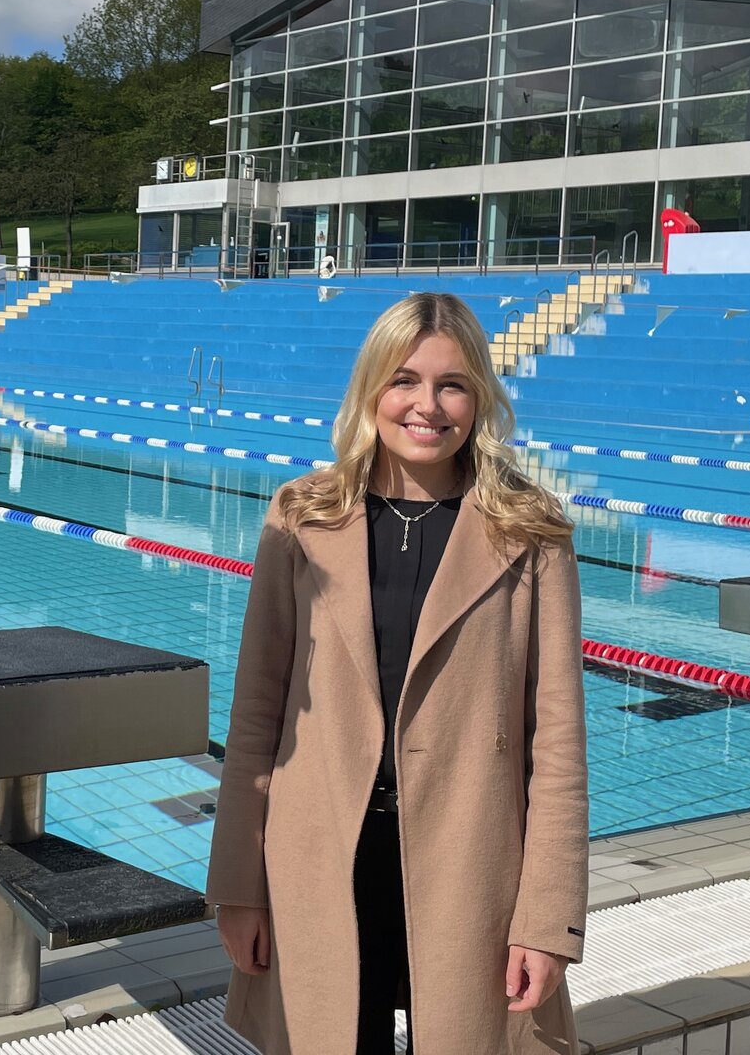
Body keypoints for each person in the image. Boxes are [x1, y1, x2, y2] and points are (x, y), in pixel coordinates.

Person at [206, 291, 589, 1055]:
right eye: (404, 380)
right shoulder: (301, 518)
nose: (427, 405)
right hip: (322, 859)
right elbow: (256, 715)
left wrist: (548, 921)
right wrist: (239, 886)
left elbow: (558, 743)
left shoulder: (530, 529)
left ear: (479, 396)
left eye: (451, 384)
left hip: (469, 863)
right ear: (371, 390)